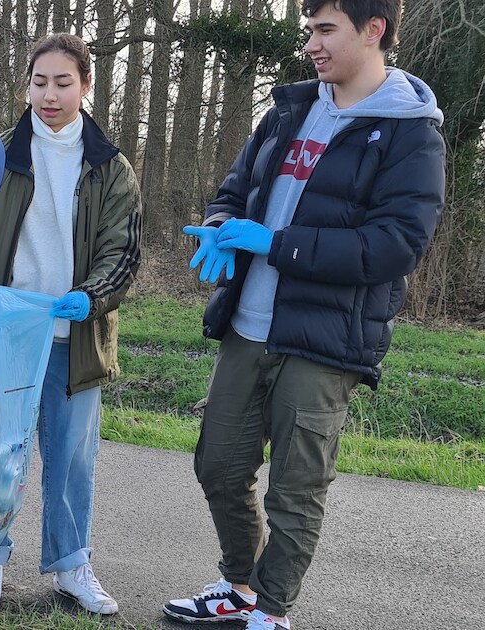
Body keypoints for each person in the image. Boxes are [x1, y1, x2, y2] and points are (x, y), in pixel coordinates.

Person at [166, 1, 445, 628]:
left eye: (325, 31)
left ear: (374, 31)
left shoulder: (410, 131)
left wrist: (276, 244)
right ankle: (239, 585)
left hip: (326, 337)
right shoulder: (290, 108)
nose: (312, 46)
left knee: (297, 486)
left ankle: (272, 612)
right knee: (219, 464)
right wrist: (220, 227)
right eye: (309, 32)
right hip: (248, 322)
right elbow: (236, 190)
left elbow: (396, 244)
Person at [0, 32, 142, 627]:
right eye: (40, 82)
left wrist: (90, 297)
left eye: (64, 82)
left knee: (71, 460)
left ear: (86, 87)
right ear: (27, 85)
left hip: (75, 337)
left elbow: (122, 252)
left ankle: (71, 566)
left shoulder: (110, 169)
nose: (50, 94)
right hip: (3, 338)